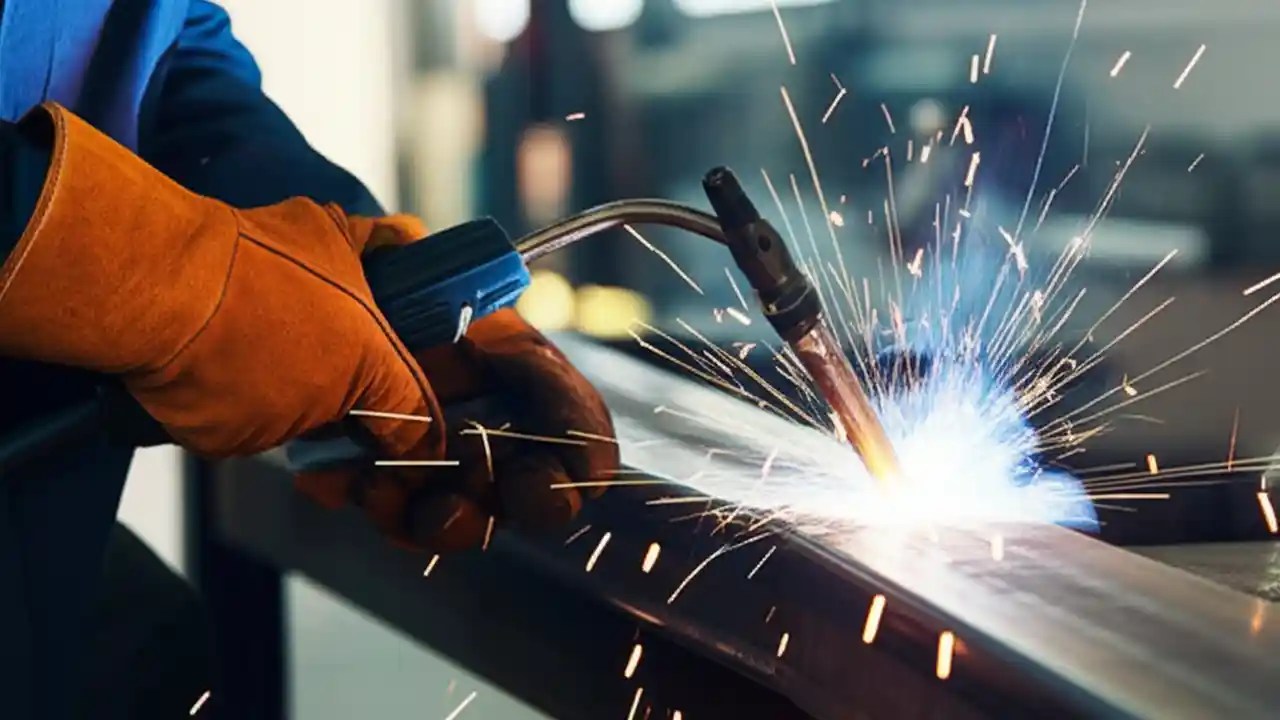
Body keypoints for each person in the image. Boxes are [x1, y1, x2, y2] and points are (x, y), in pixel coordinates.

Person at [0, 2, 617, 718]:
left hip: (44, 535)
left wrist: (345, 254)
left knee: (151, 664)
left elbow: (157, 37)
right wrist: (169, 274)